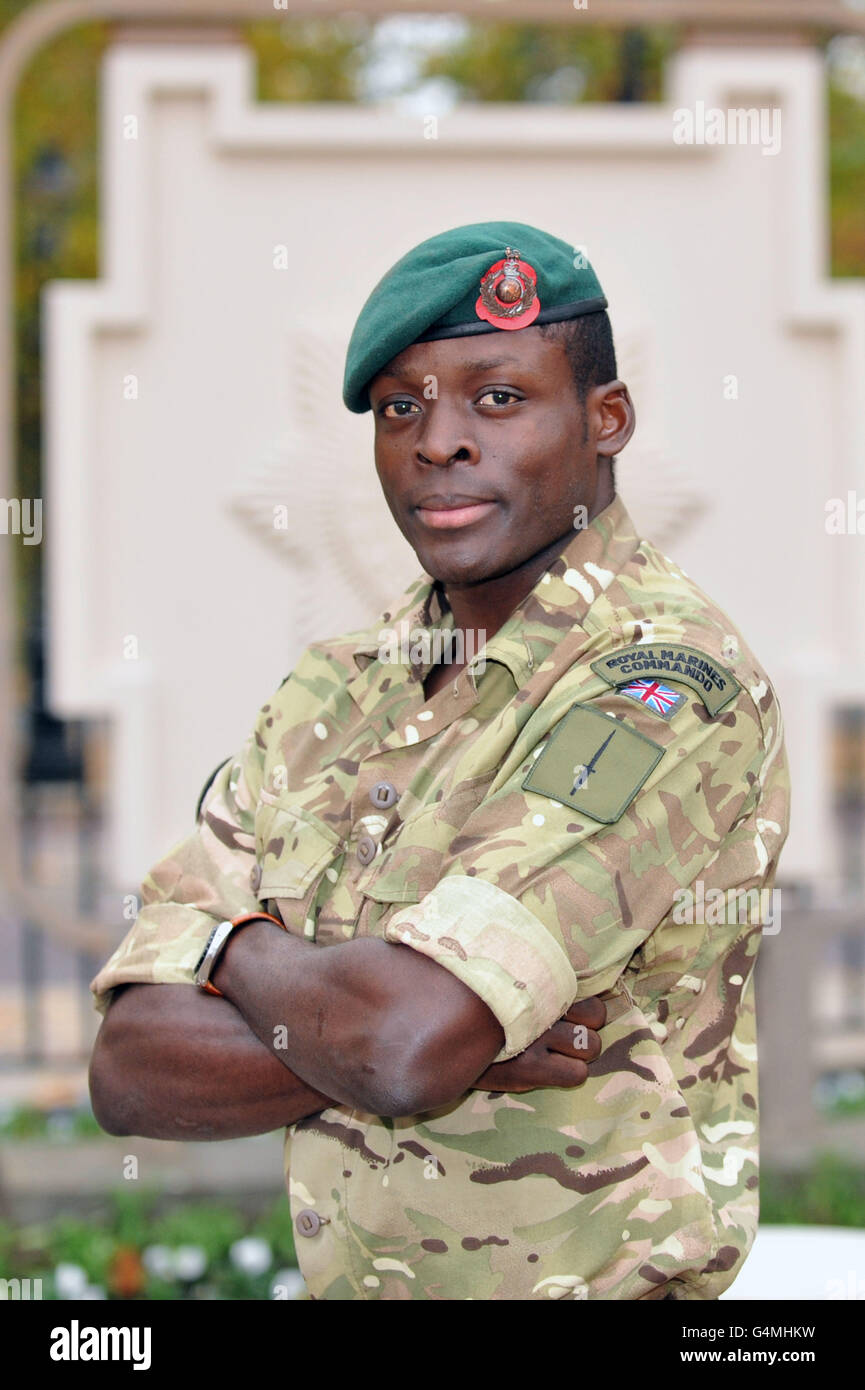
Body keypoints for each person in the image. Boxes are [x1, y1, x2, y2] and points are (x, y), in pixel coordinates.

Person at [89, 221, 790, 1301]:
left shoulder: (660, 684)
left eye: (497, 398)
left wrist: (222, 953)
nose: (437, 443)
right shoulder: (337, 684)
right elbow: (131, 1067)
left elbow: (407, 1041)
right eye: (399, 408)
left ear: (605, 421)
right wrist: (439, 1038)